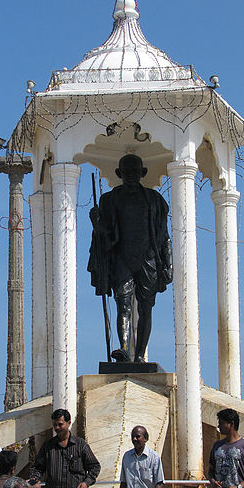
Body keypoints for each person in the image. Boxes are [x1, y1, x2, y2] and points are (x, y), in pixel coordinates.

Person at [88, 154, 173, 362]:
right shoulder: (109, 200)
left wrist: (169, 264)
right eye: (127, 173)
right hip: (122, 258)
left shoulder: (155, 201)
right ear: (119, 174)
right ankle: (124, 350)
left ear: (143, 173)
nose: (132, 176)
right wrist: (96, 223)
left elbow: (164, 235)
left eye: (136, 172)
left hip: (149, 259)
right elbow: (105, 236)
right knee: (122, 304)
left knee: (145, 308)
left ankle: (140, 356)